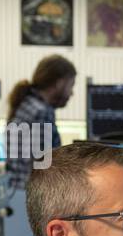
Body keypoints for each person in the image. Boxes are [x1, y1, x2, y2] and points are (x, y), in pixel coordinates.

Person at [5, 54, 76, 188]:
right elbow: (45, 168)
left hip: (16, 193)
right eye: (71, 85)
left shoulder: (24, 104)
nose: (71, 93)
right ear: (59, 83)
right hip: (32, 198)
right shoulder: (42, 112)